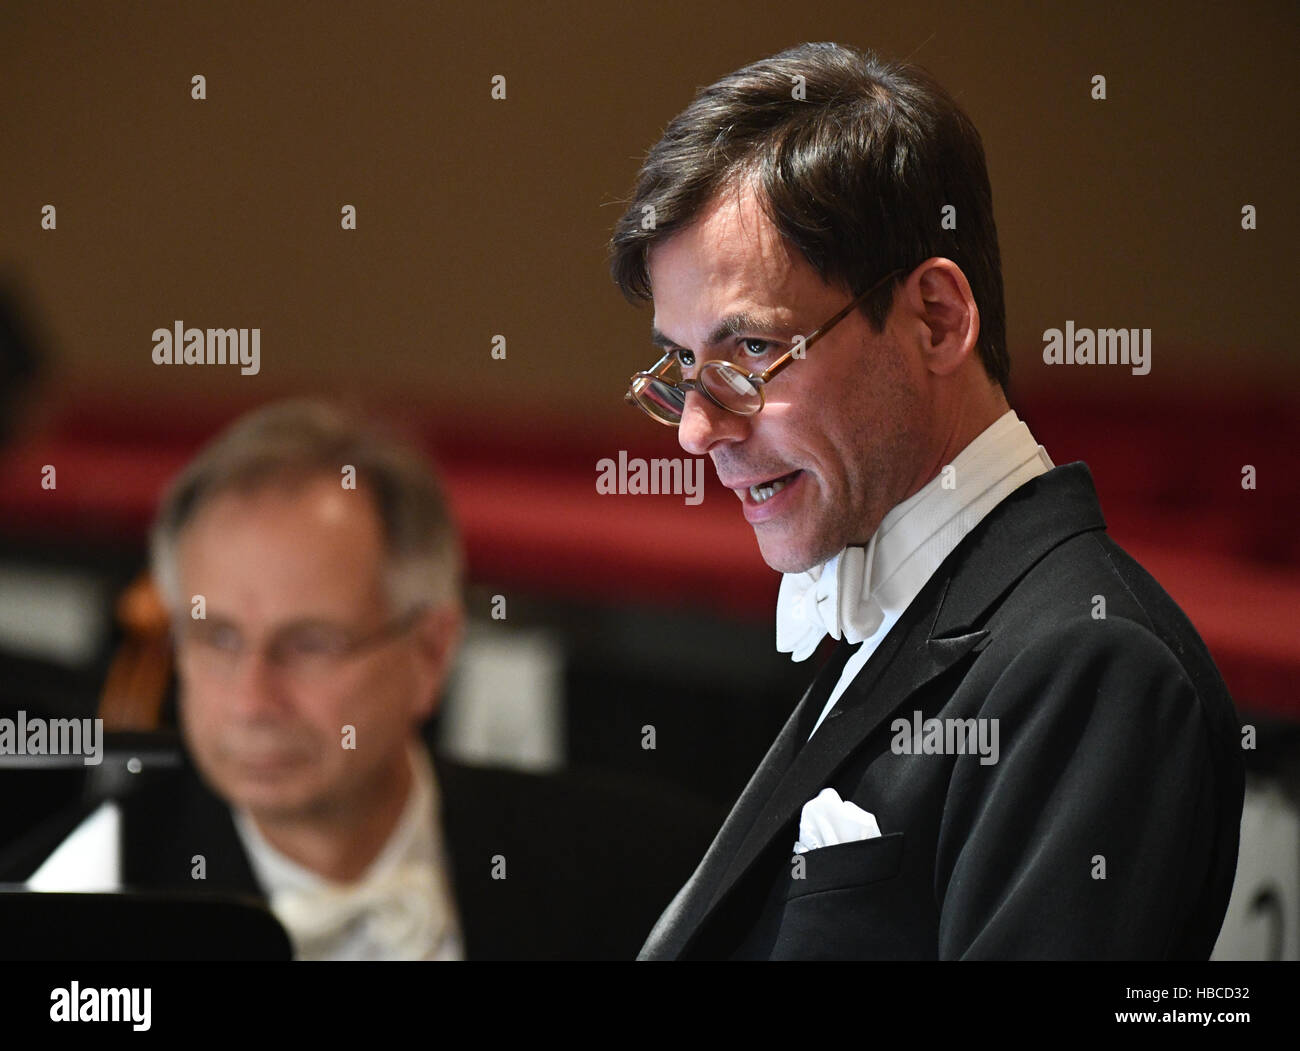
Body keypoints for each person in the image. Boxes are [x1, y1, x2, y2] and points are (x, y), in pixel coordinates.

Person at [610, 42, 1244, 960]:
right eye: (681, 366)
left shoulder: (1094, 665)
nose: (697, 431)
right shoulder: (894, 592)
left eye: (749, 352)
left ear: (936, 318)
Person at [1, 399, 719, 959]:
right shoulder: (74, 898)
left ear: (431, 652)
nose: (252, 699)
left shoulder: (648, 875)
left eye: (309, 642)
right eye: (217, 637)